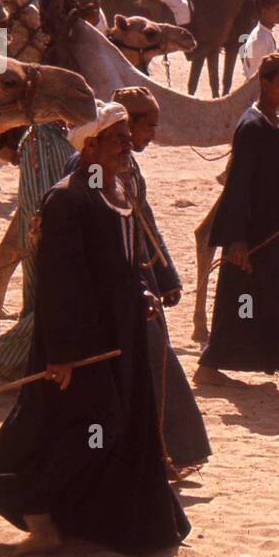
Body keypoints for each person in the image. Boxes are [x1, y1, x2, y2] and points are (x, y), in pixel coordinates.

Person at [0, 102, 190, 556]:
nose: (127, 145)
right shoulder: (66, 200)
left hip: (120, 339)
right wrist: (63, 355)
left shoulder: (116, 192)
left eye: (127, 138)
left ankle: (88, 523)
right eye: (117, 138)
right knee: (88, 429)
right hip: (77, 350)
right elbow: (59, 287)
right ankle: (37, 515)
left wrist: (141, 293)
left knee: (114, 428)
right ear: (90, 145)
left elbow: (122, 264)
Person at [194, 53, 279, 391]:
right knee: (244, 301)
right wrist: (236, 241)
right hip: (253, 236)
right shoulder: (252, 126)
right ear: (264, 82)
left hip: (277, 233)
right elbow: (238, 186)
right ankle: (211, 367)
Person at [111, 86, 212, 477]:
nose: (152, 134)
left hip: (141, 279)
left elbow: (144, 220)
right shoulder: (92, 171)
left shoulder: (129, 167)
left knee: (156, 362)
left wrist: (165, 274)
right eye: (147, 126)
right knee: (149, 363)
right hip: (118, 286)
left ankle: (165, 454)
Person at [0, 121, 77, 388]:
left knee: (48, 298)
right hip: (48, 233)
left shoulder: (65, 136)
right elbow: (38, 204)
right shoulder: (39, 141)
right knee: (56, 298)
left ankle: (17, 361)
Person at [237, 0, 279, 83]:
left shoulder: (265, 34)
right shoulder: (259, 40)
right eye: (277, 10)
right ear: (264, 11)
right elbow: (257, 77)